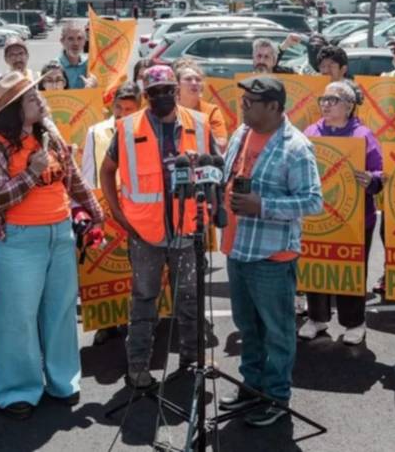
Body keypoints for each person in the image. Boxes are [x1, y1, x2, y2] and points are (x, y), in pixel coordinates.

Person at [0, 71, 104, 419]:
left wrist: (93, 210)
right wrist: (32, 172)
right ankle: (18, 390)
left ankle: (63, 381)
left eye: (37, 94)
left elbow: (71, 172)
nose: (41, 99)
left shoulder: (49, 131)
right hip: (16, 242)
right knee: (17, 318)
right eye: (32, 97)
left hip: (59, 233)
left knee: (61, 311)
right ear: (15, 109)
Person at [99, 65, 216, 391]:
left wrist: (208, 210)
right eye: (154, 93)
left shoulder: (200, 125)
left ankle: (192, 361)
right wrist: (119, 215)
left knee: (190, 301)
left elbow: (217, 172)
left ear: (176, 90)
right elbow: (107, 171)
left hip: (187, 231)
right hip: (144, 233)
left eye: (167, 90)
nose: (162, 97)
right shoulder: (125, 129)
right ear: (145, 96)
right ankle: (138, 368)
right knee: (143, 301)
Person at [218, 75, 323, 427]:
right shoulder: (241, 133)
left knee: (277, 333)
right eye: (243, 100)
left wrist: (262, 205)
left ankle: (276, 397)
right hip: (237, 248)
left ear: (274, 107)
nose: (243, 106)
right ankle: (252, 387)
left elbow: (312, 201)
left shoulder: (297, 147)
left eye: (251, 102)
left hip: (272, 256)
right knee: (248, 326)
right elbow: (229, 173)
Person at [299, 80, 382, 345]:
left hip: (355, 218)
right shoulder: (311, 131)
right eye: (322, 99)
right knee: (315, 265)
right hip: (317, 216)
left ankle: (355, 322)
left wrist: (372, 180)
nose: (325, 104)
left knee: (351, 270)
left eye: (332, 100)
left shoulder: (363, 135)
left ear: (348, 106)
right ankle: (316, 318)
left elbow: (380, 172)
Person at [81, 81, 142, 190]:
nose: (122, 114)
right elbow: (88, 174)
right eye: (118, 107)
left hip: (135, 202)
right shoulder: (95, 132)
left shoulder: (146, 134)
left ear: (138, 109)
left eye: (128, 109)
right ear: (112, 104)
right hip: (104, 201)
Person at [174, 57, 229, 150]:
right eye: (188, 79)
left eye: (198, 80)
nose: (194, 83)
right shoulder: (170, 110)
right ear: (177, 84)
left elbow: (222, 145)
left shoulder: (211, 111)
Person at [58, 22, 99, 89]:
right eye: (70, 39)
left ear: (85, 41)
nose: (76, 43)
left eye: (79, 38)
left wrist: (94, 88)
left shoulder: (91, 64)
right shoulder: (54, 68)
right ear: (62, 41)